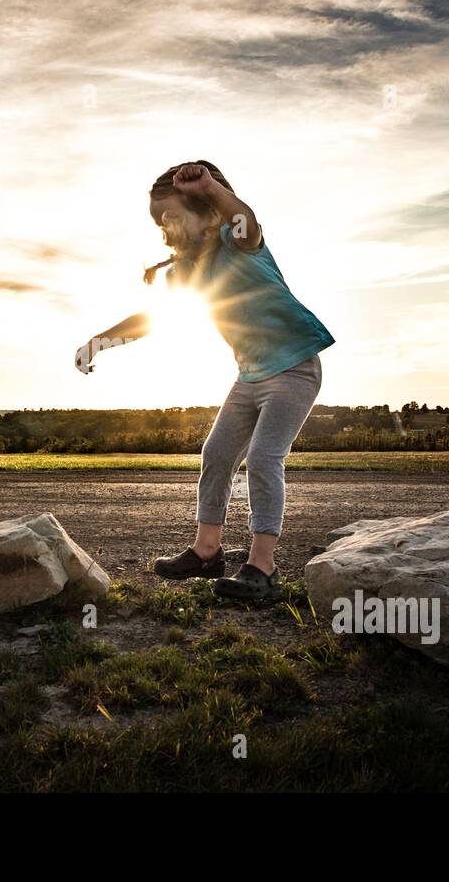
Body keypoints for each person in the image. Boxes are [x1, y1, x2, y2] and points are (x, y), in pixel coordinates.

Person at [74, 160, 334, 600]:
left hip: (294, 368)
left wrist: (212, 188)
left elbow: (243, 218)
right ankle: (207, 551)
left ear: (207, 212)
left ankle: (263, 567)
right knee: (215, 454)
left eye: (172, 217)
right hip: (250, 376)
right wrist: (101, 341)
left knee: (264, 458)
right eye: (159, 224)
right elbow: (153, 319)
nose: (165, 229)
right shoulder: (186, 272)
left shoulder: (238, 242)